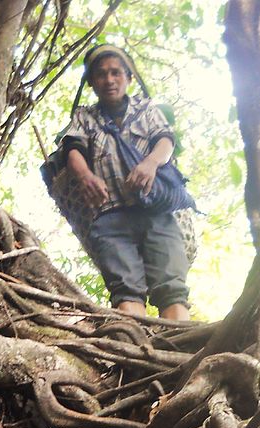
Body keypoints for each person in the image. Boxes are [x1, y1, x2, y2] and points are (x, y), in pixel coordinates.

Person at [62, 44, 191, 321]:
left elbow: (165, 140)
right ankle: (136, 358)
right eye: (101, 74)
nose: (109, 80)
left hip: (155, 211)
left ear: (129, 77)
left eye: (116, 73)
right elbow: (73, 150)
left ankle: (182, 351)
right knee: (126, 292)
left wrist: (150, 163)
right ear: (92, 83)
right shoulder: (85, 117)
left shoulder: (145, 110)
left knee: (172, 289)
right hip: (110, 216)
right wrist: (86, 175)